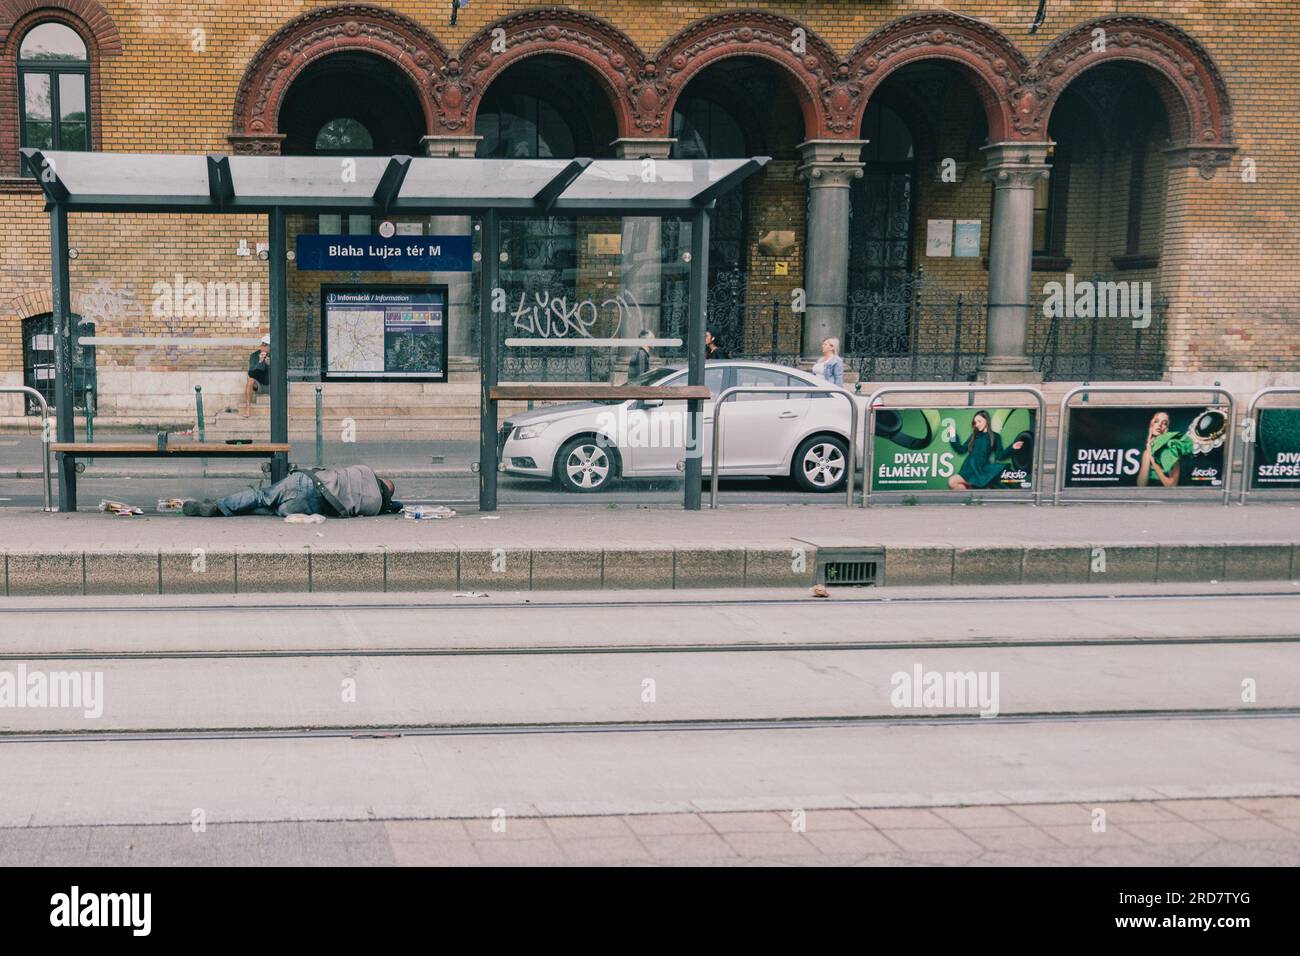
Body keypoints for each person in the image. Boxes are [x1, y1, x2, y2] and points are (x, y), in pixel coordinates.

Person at [183, 464, 401, 517]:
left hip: (306, 482)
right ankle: (227, 508)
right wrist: (391, 506)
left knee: (262, 496)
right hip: (306, 507)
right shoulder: (375, 506)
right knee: (271, 509)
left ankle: (219, 506)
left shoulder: (364, 471)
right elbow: (392, 506)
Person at [946, 410, 1025, 490]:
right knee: (953, 482)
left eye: (979, 421)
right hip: (968, 468)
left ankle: (972, 498)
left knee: (955, 482)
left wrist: (1012, 448)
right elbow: (960, 449)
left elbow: (999, 456)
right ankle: (970, 500)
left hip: (981, 468)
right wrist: (953, 435)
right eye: (975, 422)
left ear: (986, 420)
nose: (977, 425)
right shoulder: (974, 436)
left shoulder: (995, 436)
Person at [1137, 410, 1190, 487]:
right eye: (1156, 421)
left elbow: (1171, 485)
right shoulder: (1147, 452)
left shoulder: (1172, 451)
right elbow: (1141, 485)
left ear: (1167, 429)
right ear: (1151, 426)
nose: (1160, 425)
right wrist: (1149, 452)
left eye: (1164, 423)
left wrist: (1153, 460)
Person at [244, 334, 270, 417]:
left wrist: (270, 365)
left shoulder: (275, 355)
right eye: (262, 345)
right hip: (259, 382)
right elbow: (251, 372)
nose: (263, 347)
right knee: (250, 379)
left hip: (272, 380)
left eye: (266, 345)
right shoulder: (254, 355)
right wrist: (260, 361)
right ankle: (248, 409)